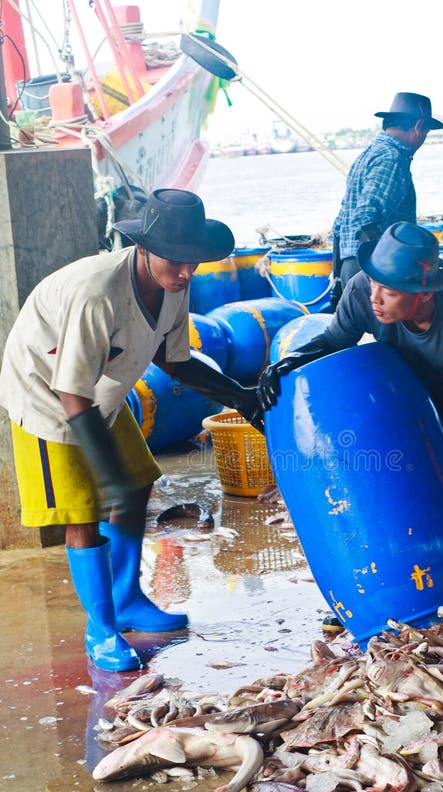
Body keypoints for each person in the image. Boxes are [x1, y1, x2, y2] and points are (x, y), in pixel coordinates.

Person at [0, 188, 262, 673]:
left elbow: (173, 357)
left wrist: (241, 396)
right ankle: (100, 629)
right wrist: (107, 475)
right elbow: (70, 392)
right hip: (48, 394)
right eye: (177, 261)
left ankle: (127, 599)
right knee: (84, 511)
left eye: (195, 262)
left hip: (100, 385)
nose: (187, 272)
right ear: (143, 248)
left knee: (139, 482)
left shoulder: (173, 286)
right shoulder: (98, 293)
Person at [258, 222, 443, 592]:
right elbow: (337, 338)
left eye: (388, 290)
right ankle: (389, 587)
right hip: (399, 400)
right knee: (396, 492)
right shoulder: (361, 291)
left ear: (424, 294)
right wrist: (286, 363)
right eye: (374, 282)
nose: (375, 297)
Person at [330, 92, 443, 308]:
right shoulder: (391, 159)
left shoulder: (369, 154)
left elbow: (341, 223)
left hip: (352, 266)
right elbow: (363, 219)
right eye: (426, 131)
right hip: (374, 272)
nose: (423, 139)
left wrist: (339, 275)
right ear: (419, 126)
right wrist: (386, 269)